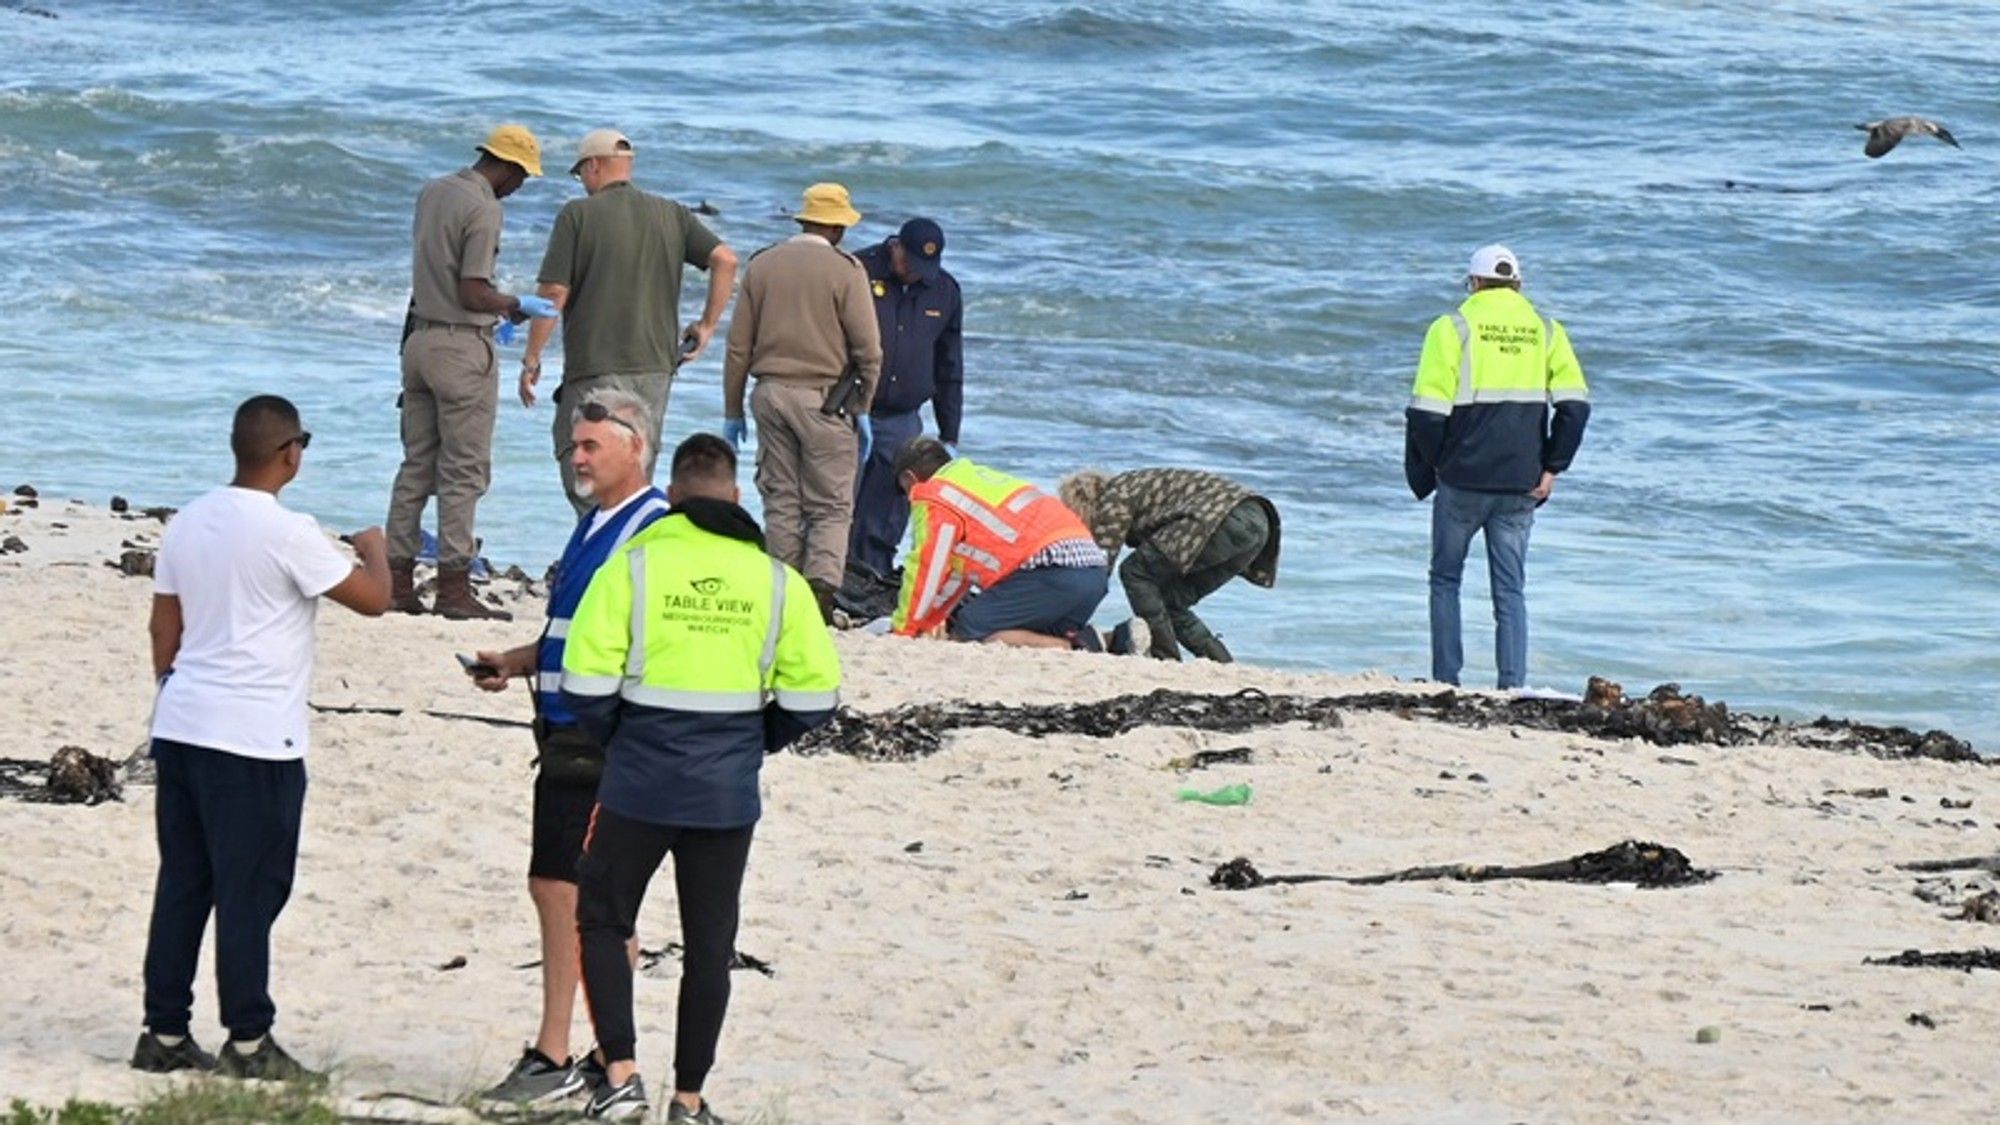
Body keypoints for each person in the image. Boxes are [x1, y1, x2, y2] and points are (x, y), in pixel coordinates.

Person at [559, 433, 840, 1122]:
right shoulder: (778, 580)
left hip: (638, 780)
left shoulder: (634, 564)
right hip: (725, 791)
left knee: (602, 915)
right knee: (710, 946)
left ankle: (621, 1072)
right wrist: (754, 740)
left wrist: (620, 736)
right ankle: (688, 1099)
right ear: (738, 497)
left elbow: (582, 680)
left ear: (673, 497)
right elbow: (814, 699)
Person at [133, 395, 391, 1081]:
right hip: (253, 738)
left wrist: (172, 687)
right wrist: (375, 551)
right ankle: (248, 1039)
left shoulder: (188, 521)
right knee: (250, 889)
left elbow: (165, 626)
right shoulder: (288, 530)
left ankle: (163, 1029)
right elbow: (373, 600)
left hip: (184, 721)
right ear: (291, 453)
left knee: (184, 880)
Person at [462, 388, 671, 1105]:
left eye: (590, 445)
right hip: (560, 726)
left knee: (572, 890)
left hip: (599, 734)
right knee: (566, 887)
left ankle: (573, 1055)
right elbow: (575, 626)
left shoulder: (650, 526)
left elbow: (644, 636)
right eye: (574, 445)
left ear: (635, 444)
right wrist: (519, 660)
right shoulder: (594, 523)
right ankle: (586, 1053)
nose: (577, 457)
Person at [387, 124, 558, 620]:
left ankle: (398, 582)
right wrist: (514, 305)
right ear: (505, 166)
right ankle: (455, 589)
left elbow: (431, 277)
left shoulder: (433, 190)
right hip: (462, 347)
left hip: (418, 340)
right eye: (521, 176)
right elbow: (472, 291)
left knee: (416, 464)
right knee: (463, 472)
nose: (520, 187)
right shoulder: (485, 207)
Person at [522, 129, 739, 514]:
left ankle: (601, 559)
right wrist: (706, 325)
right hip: (656, 369)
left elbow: (554, 292)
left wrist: (532, 357)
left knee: (586, 471)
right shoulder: (671, 212)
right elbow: (725, 260)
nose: (582, 183)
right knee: (634, 474)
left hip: (596, 366)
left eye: (580, 174)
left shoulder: (578, 214)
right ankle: (631, 557)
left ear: (593, 165)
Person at [1405, 244, 1590, 690]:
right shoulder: (1546, 330)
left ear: (1473, 283)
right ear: (1518, 285)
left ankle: (1446, 681)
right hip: (1522, 482)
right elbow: (1575, 408)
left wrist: (1439, 465)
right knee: (1510, 590)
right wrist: (1552, 469)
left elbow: (1426, 413)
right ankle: (1512, 686)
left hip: (1463, 480)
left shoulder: (1453, 327)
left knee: (1445, 579)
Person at [722, 182, 882, 621]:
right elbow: (869, 350)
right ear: (837, 227)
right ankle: (818, 599)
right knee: (831, 505)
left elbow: (738, 348)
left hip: (769, 394)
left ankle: (782, 592)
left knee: (781, 498)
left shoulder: (763, 265)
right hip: (826, 401)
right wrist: (864, 406)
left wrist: (732, 411)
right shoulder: (846, 271)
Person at [889, 437, 1107, 650]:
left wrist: (904, 630)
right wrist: (927, 622)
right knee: (1021, 628)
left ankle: (1068, 646)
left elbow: (927, 568)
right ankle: (1098, 639)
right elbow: (954, 575)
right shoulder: (973, 479)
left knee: (970, 629)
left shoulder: (934, 495)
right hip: (1093, 572)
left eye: (904, 490)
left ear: (910, 478)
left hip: (1054, 572)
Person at [845, 217, 963, 588]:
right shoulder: (858, 271)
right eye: (909, 263)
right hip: (850, 408)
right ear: (895, 247)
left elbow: (950, 364)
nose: (914, 273)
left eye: (924, 267)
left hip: (902, 418)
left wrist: (950, 433)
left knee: (887, 511)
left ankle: (869, 581)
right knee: (835, 503)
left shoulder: (944, 291)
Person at [1058, 468, 1281, 662]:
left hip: (1223, 516)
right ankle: (1221, 663)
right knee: (1171, 601)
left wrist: (1066, 621)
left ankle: (1164, 657)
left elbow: (1099, 568)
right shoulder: (1135, 486)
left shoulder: (1113, 496)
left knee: (1135, 573)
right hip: (1259, 521)